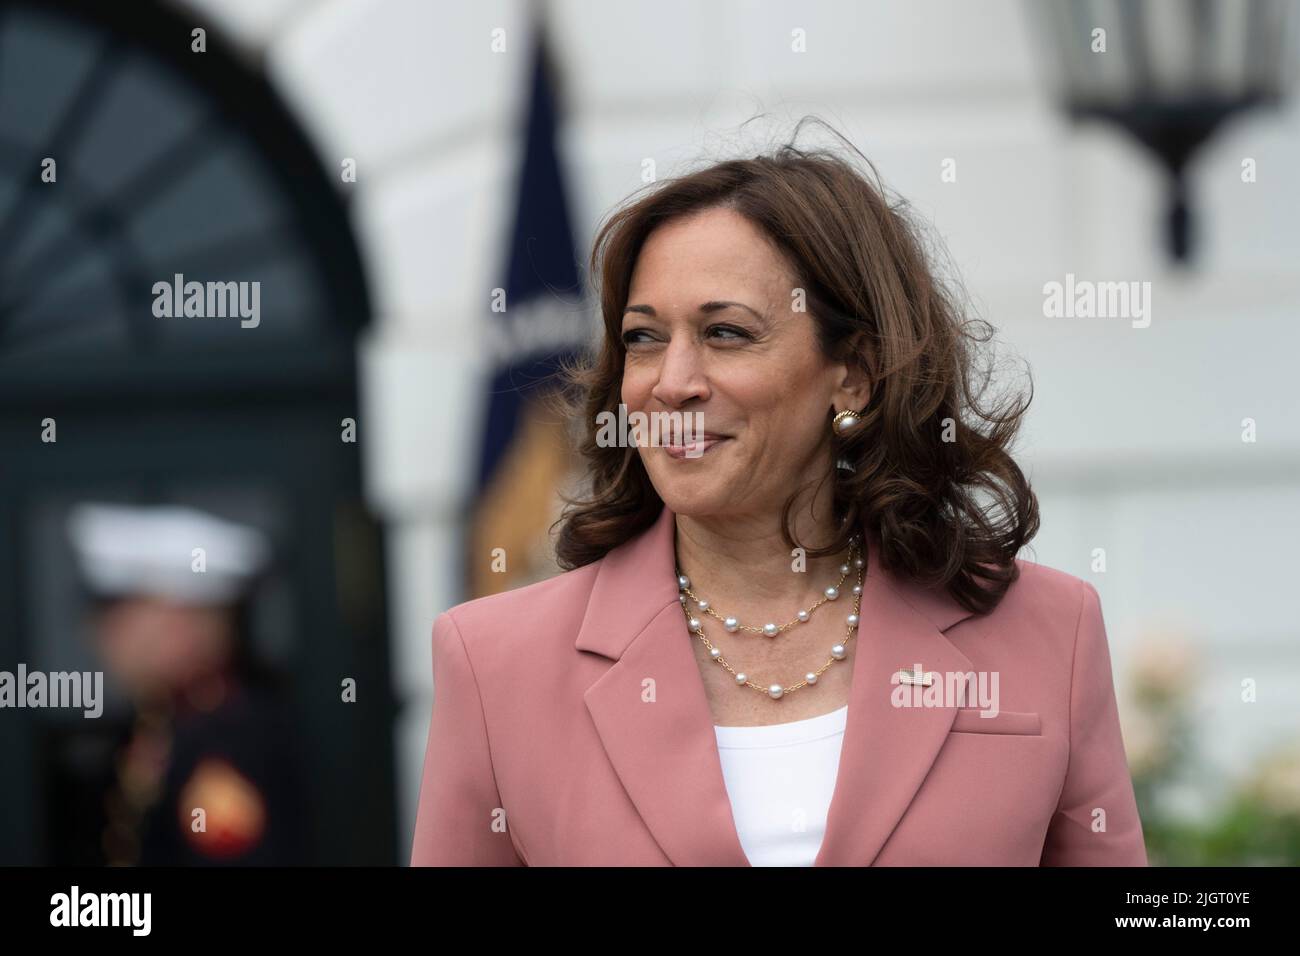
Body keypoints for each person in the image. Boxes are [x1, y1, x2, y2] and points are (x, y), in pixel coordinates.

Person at [410, 129, 1148, 866]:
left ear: (853, 374)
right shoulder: (494, 664)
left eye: (725, 332)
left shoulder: (1050, 632)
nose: (673, 381)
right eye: (643, 338)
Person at [67, 502, 308, 866]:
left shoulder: (224, 741)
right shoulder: (167, 721)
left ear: (179, 625)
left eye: (122, 620)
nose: (103, 641)